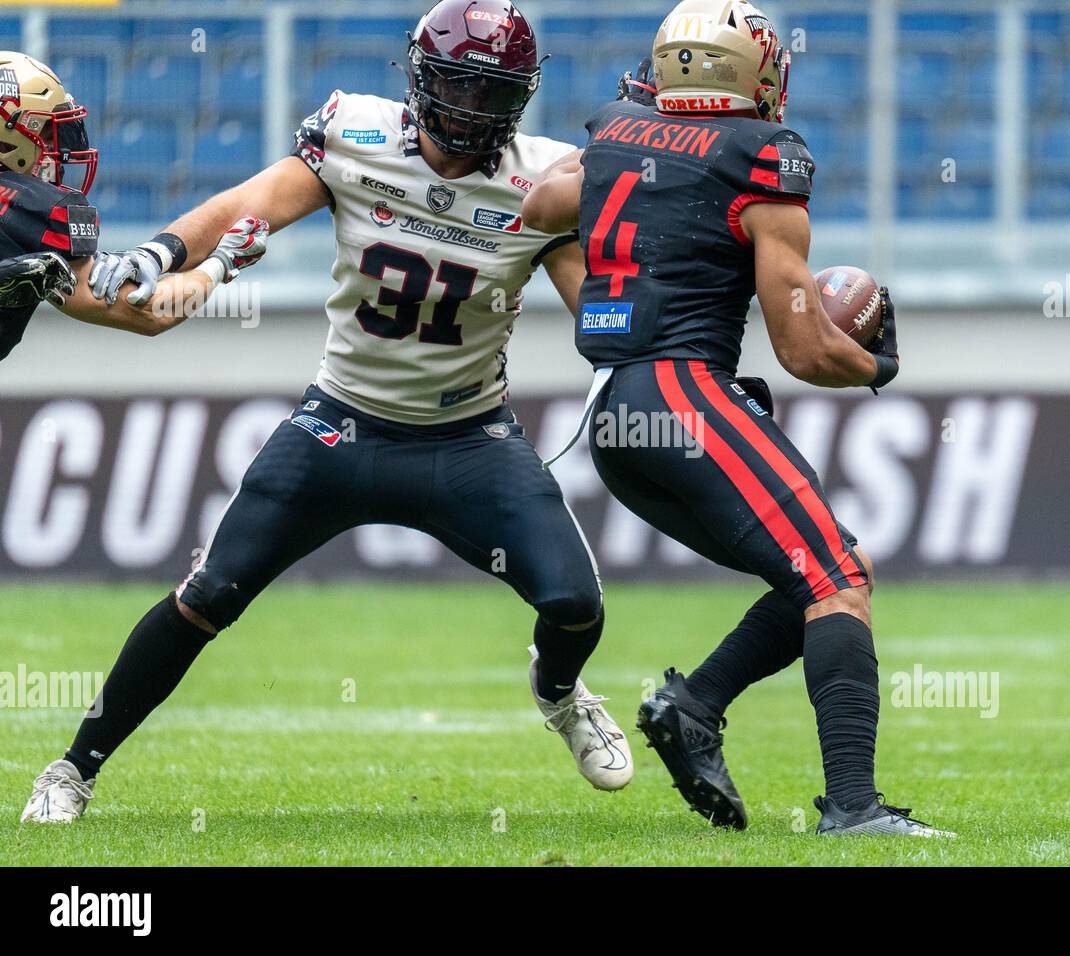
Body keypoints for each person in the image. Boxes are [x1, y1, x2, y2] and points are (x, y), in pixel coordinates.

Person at [21, 0, 633, 825]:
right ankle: (72, 769)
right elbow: (255, 201)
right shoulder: (359, 132)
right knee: (207, 595)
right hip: (338, 424)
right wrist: (166, 251)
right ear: (419, 80)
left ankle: (558, 691)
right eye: (456, 86)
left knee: (573, 602)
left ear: (521, 98)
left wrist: (644, 339)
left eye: (491, 93)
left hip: (468, 438)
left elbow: (595, 312)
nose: (470, 109)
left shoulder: (547, 177)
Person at [523, 0, 948, 837]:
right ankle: (854, 809)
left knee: (815, 570)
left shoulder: (614, 135)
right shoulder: (763, 158)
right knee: (836, 580)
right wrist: (875, 364)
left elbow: (540, 211)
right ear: (753, 72)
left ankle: (693, 705)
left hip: (612, 414)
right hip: (684, 395)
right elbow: (802, 350)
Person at [0, 51, 261, 360]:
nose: (56, 149)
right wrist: (220, 263)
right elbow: (149, 312)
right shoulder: (32, 207)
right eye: (47, 132)